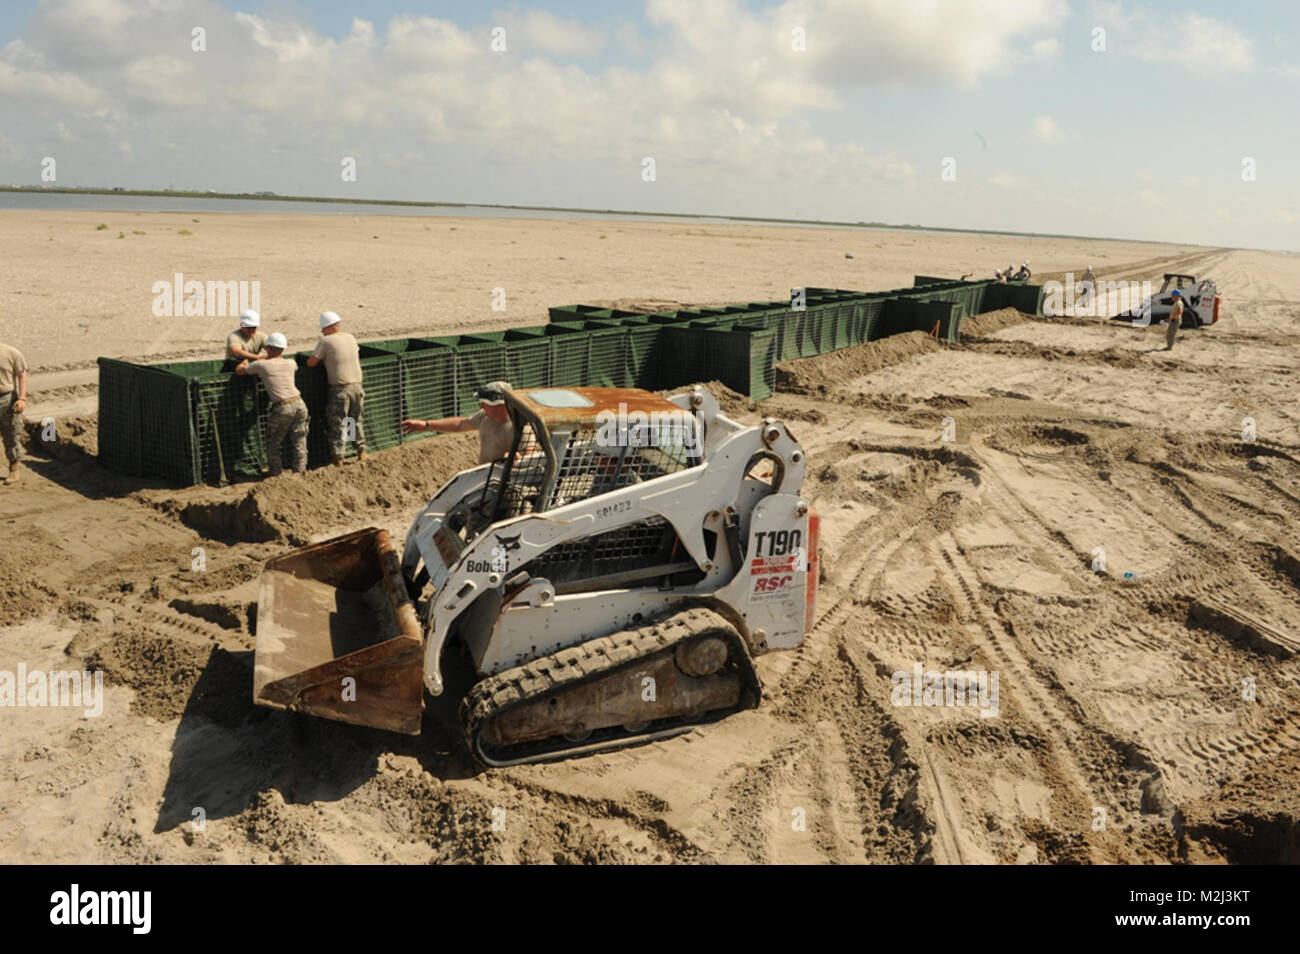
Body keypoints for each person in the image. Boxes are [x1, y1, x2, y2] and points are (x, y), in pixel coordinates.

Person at [236, 332, 308, 476]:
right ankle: (300, 472)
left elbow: (239, 371)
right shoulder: (291, 363)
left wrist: (245, 361)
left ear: (268, 347)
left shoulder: (262, 365)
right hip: (299, 403)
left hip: (282, 407)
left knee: (273, 441)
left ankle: (275, 473)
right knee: (299, 440)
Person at [401, 380, 514, 465]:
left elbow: (529, 456)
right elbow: (460, 424)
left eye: (485, 403)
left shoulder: (519, 427)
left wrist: (516, 458)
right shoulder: (484, 416)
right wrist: (426, 425)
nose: (481, 406)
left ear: (501, 405)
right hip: (485, 479)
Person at [307, 311, 366, 465]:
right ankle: (360, 451)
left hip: (340, 390)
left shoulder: (325, 341)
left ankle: (338, 458)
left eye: (323, 329)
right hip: (358, 387)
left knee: (338, 424)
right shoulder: (350, 337)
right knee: (354, 421)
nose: (322, 332)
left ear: (328, 327)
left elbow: (311, 363)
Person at [0, 339, 28, 485]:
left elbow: (22, 375)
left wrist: (22, 399)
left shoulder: (12, 353)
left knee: (10, 434)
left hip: (7, 399)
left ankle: (14, 468)